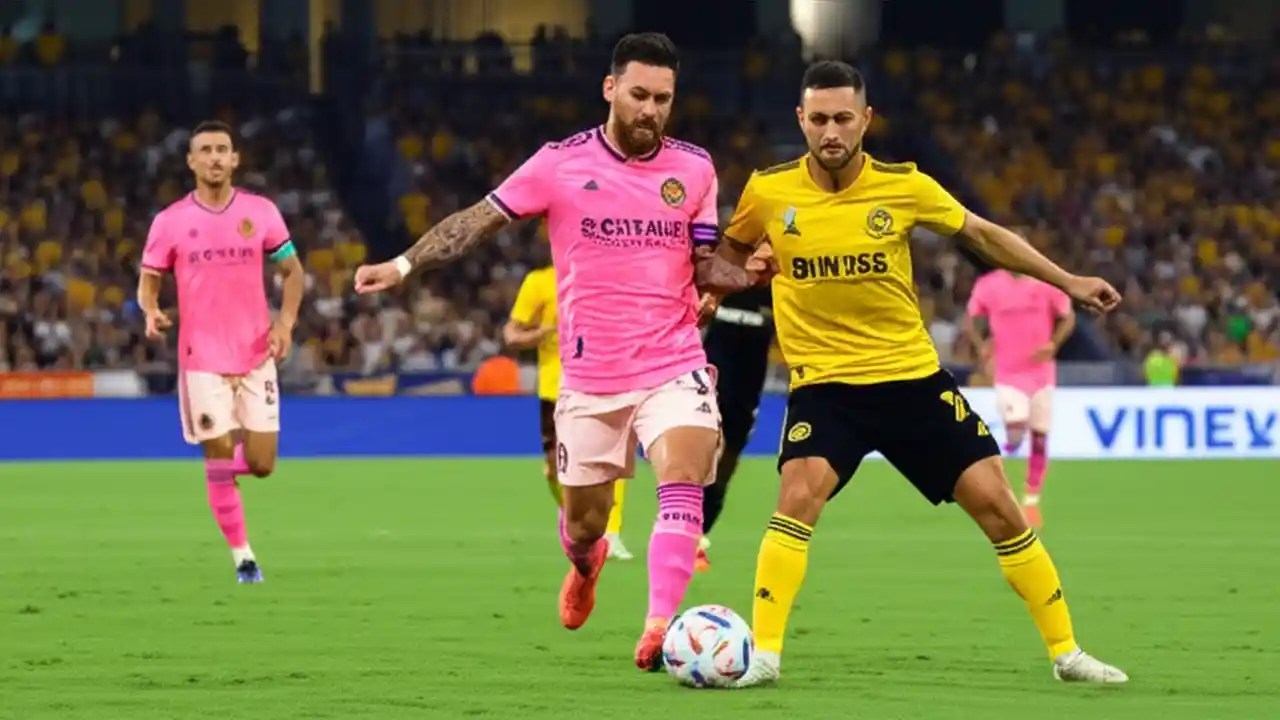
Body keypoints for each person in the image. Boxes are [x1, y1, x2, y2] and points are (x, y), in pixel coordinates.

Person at [353, 33, 759, 670]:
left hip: (673, 360)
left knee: (683, 479)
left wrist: (750, 273)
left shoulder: (695, 169)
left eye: (663, 99)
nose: (651, 110)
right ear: (610, 89)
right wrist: (404, 265)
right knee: (586, 524)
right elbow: (475, 222)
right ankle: (585, 563)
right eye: (639, 95)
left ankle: (658, 629)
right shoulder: (558, 164)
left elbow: (706, 265)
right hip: (591, 377)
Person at [715, 61, 1128, 687]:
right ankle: (765, 659)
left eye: (843, 118)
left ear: (865, 120)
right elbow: (728, 254)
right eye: (819, 118)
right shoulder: (768, 192)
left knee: (1000, 507)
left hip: (912, 380)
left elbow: (984, 236)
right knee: (796, 497)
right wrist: (733, 279)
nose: (831, 131)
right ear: (801, 120)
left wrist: (1067, 281)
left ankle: (1068, 653)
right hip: (826, 388)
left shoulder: (903, 186)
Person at [138, 120, 304, 584]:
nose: (214, 157)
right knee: (218, 451)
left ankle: (216, 476)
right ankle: (244, 557)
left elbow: (293, 271)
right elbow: (148, 279)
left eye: (222, 150)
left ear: (235, 160)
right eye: (205, 150)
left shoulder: (262, 212)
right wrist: (150, 310)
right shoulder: (169, 221)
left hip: (255, 353)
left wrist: (285, 323)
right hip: (202, 357)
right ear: (191, 161)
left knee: (262, 464)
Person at [504, 241, 633, 560]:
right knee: (554, 469)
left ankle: (611, 532)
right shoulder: (539, 282)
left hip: (596, 382)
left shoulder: (602, 278)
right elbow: (511, 335)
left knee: (608, 463)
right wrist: (544, 332)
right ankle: (573, 516)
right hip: (553, 388)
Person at [964, 268, 1076, 528]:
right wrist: (981, 346)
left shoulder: (1046, 283)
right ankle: (1007, 449)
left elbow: (1068, 317)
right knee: (1016, 428)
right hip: (1007, 372)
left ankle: (1031, 499)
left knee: (1039, 436)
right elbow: (971, 319)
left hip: (1041, 373)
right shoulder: (989, 284)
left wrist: (1054, 344)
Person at [695, 280, 775, 572]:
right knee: (708, 443)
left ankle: (700, 532)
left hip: (752, 363)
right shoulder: (726, 250)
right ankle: (687, 534)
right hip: (718, 352)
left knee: (729, 459)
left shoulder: (781, 254)